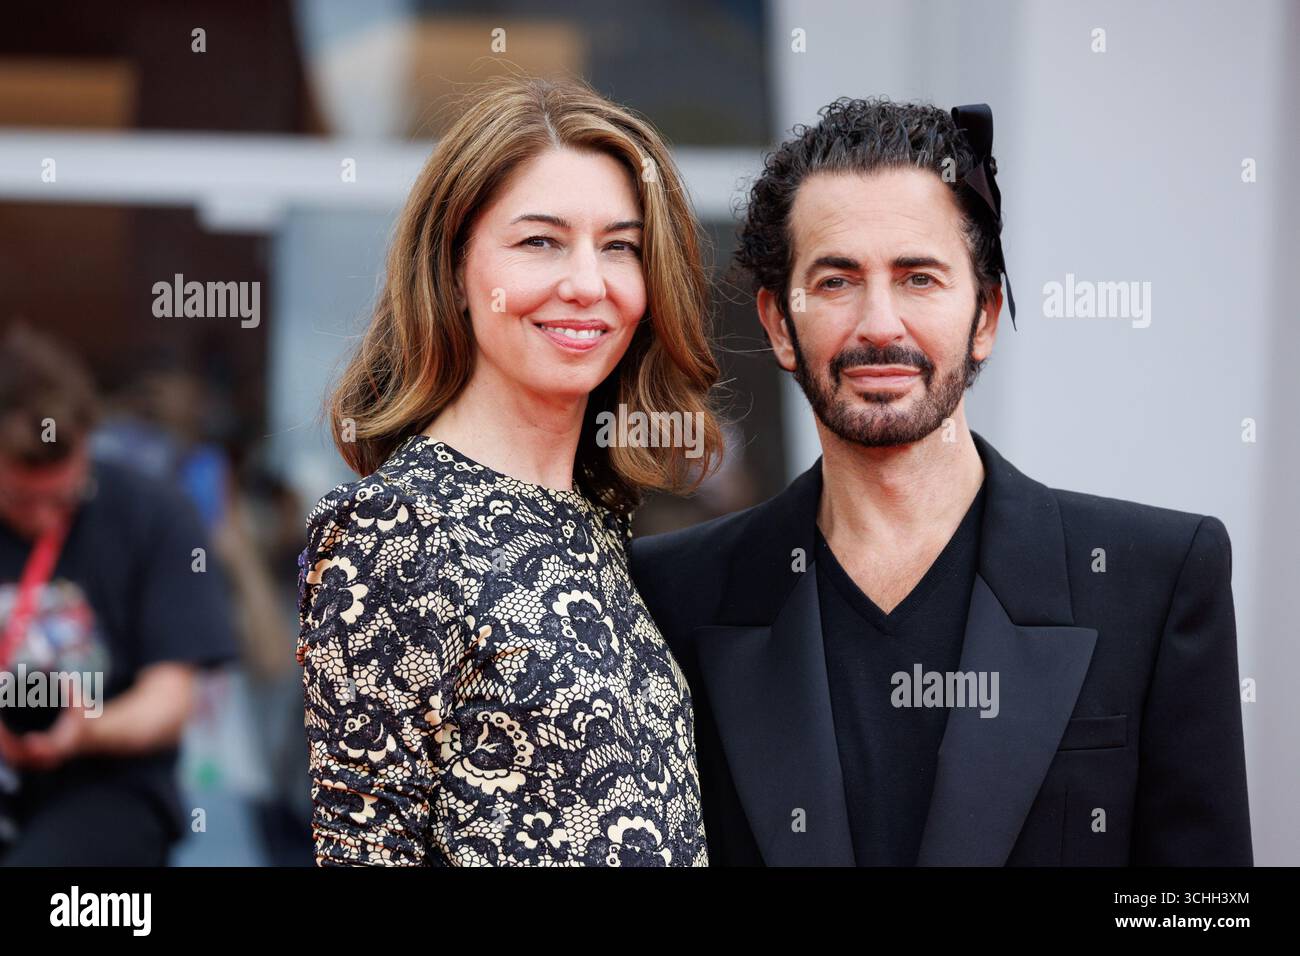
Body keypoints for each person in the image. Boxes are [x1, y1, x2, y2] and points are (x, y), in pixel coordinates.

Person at [629, 98, 1253, 866]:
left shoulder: (1154, 580)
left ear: (985, 314)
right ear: (777, 325)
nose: (880, 325)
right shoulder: (671, 596)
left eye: (919, 277)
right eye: (835, 281)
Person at [298, 75, 724, 866]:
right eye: (541, 241)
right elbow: (365, 850)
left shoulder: (597, 513)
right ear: (455, 271)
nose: (588, 284)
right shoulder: (392, 529)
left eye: (620, 246)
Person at [0, 324, 239, 865]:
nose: (43, 520)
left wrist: (85, 732)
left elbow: (170, 699)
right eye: (20, 499)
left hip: (109, 786)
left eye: (63, 498)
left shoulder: (152, 516)